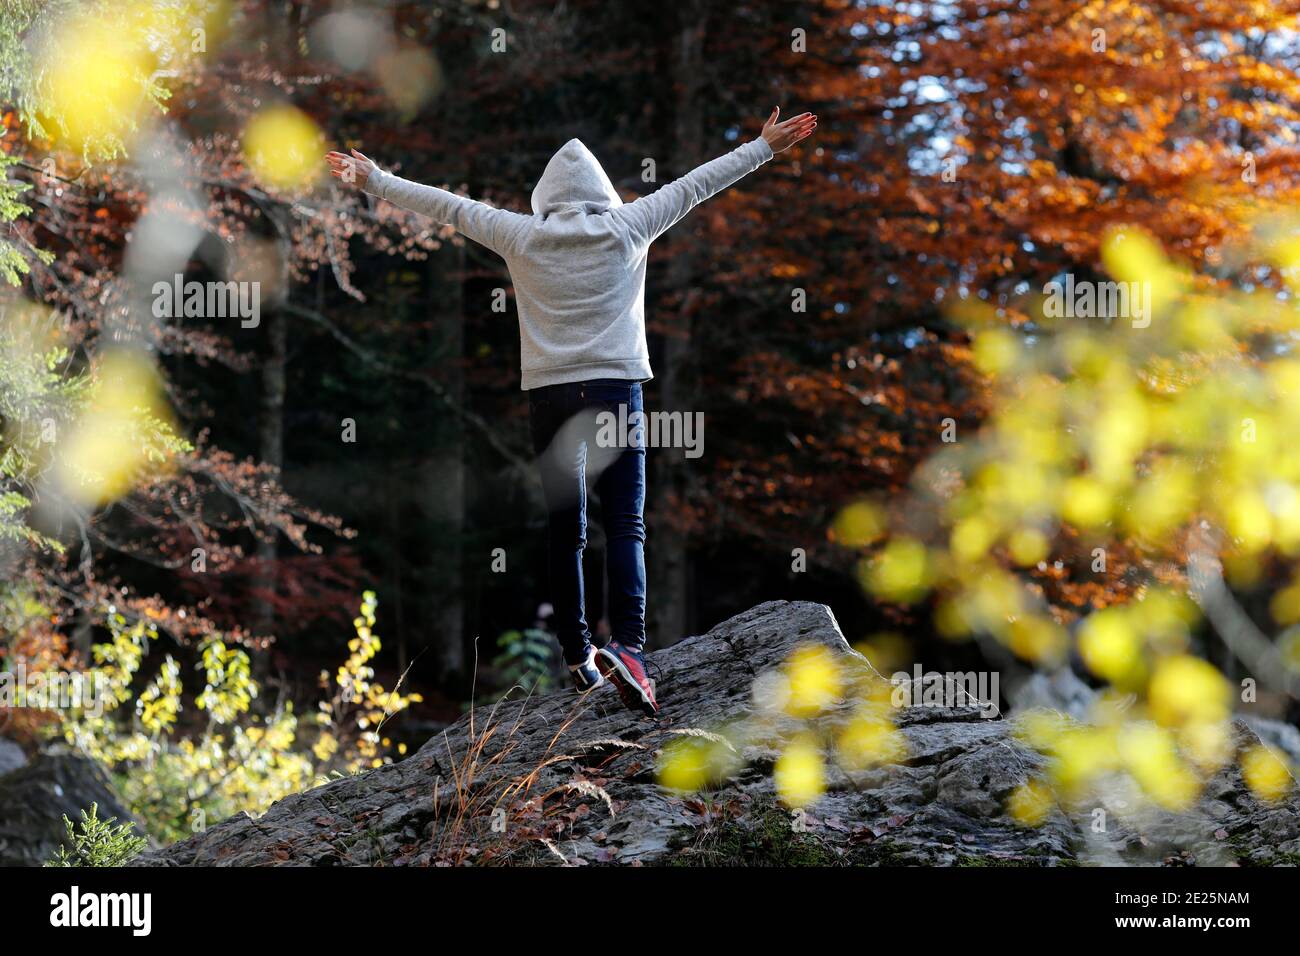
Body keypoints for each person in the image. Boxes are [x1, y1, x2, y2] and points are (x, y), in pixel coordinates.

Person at [326, 107, 817, 716]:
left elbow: (447, 206)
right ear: (604, 191)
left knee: (567, 532)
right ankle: (630, 650)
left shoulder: (519, 234)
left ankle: (577, 655)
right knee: (627, 524)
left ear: (545, 198)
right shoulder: (630, 225)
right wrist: (763, 147)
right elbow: (697, 183)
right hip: (615, 391)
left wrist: (375, 180)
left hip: (551, 396)